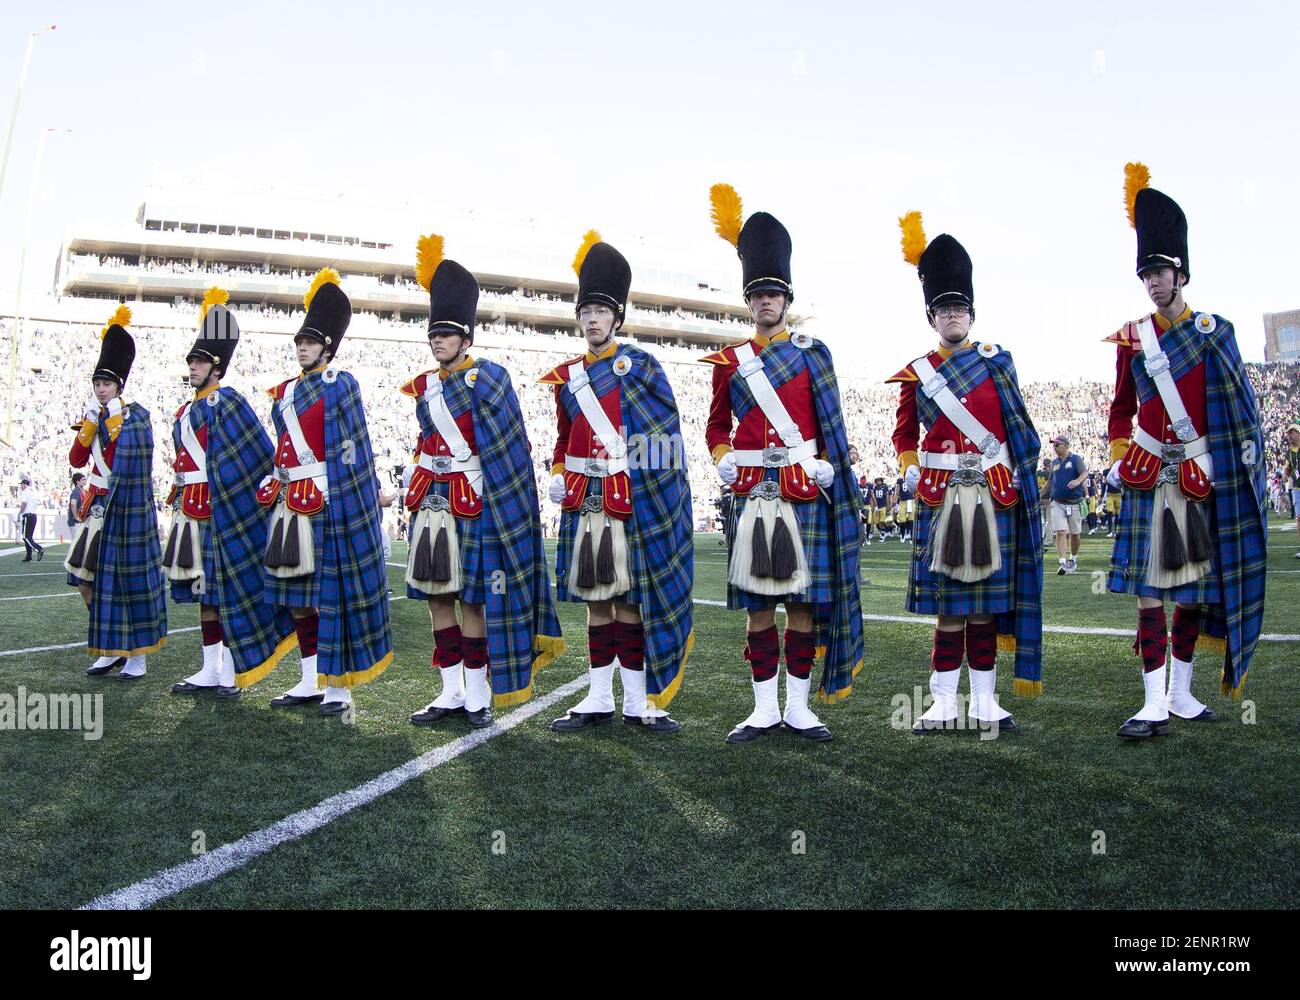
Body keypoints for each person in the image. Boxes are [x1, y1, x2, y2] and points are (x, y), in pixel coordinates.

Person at [1104, 163, 1266, 739]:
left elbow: (1241, 409)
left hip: (1199, 474)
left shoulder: (1215, 331)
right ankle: (1151, 701)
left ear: (1182, 272)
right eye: (1146, 273)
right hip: (1149, 474)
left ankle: (1181, 694)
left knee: (1192, 590)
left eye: (1161, 271)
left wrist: (1235, 466)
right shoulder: (1131, 338)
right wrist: (1123, 452)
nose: (1153, 281)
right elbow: (1119, 409)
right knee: (1149, 590)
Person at [703, 184, 863, 743]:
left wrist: (824, 464)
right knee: (758, 605)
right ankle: (763, 708)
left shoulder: (814, 354)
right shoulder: (729, 363)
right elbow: (716, 426)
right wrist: (722, 456)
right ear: (748, 302)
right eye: (758, 294)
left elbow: (832, 427)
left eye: (774, 293)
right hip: (750, 489)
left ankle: (798, 707)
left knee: (802, 602)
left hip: (800, 487)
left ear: (786, 300)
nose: (766, 302)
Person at [889, 212, 1043, 733]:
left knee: (983, 608)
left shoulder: (999, 362)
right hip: (941, 496)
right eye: (943, 309)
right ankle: (942, 703)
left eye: (959, 307)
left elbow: (1020, 426)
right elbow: (903, 435)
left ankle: (984, 702)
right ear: (932, 318)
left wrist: (1021, 471)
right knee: (949, 608)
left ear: (971, 316)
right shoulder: (917, 373)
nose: (952, 315)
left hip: (992, 492)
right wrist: (909, 467)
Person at [403, 235, 563, 728]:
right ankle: (449, 691)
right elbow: (426, 439)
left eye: (447, 333)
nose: (438, 340)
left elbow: (510, 448)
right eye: (434, 333)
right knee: (437, 598)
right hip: (432, 500)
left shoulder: (491, 378)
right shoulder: (423, 387)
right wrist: (415, 466)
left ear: (466, 338)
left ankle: (477, 693)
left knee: (473, 598)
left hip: (473, 502)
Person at [543, 232, 693, 734]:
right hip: (585, 501)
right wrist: (560, 475)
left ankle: (637, 701)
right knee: (596, 601)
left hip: (629, 500)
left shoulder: (641, 366)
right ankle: (597, 697)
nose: (592, 318)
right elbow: (564, 441)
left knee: (629, 603)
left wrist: (643, 479)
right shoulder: (566, 379)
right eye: (585, 309)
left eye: (602, 310)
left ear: (617, 318)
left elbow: (663, 438)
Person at [258, 269, 393, 717]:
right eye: (300, 340)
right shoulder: (282, 394)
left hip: (326, 502)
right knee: (296, 599)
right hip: (289, 502)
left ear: (328, 348)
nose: (303, 347)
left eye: (312, 342)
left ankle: (338, 689)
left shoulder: (343, 384)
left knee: (329, 597)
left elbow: (355, 447)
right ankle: (308, 680)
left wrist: (354, 494)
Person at [166, 288, 298, 700]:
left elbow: (255, 454)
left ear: (216, 366)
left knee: (225, 591)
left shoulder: (229, 401)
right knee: (203, 593)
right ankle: (209, 669)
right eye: (191, 360)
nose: (192, 366)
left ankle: (230, 671)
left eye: (200, 360)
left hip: (224, 511)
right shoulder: (184, 412)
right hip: (191, 512)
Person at [65, 306, 167, 679]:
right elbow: (77, 458)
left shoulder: (134, 414)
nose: (101, 388)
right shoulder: (93, 416)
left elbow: (132, 455)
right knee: (84, 580)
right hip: (96, 508)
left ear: (119, 385)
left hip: (122, 506)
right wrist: (90, 423)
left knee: (126, 582)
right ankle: (110, 646)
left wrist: (107, 418)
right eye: (97, 383)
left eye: (106, 384)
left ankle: (136, 656)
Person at [1048, 435, 1087, 575]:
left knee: (1075, 534)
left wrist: (1077, 481)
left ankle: (1073, 559)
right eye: (1053, 445)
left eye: (1057, 444)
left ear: (1065, 445)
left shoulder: (1076, 459)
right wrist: (1038, 494)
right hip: (1057, 502)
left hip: (1075, 503)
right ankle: (1062, 562)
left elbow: (1085, 473)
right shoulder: (1054, 463)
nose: (1054, 447)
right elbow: (1050, 481)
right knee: (1060, 532)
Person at [16, 475, 43, 561]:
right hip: (33, 515)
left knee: (26, 537)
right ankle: (29, 556)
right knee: (29, 537)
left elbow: (24, 504)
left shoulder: (25, 492)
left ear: (24, 484)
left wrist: (20, 513)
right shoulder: (32, 493)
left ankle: (39, 549)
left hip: (28, 515)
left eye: (21, 485)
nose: (21, 486)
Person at [1285, 423, 1300, 558]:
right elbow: (1288, 468)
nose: (1289, 436)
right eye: (1288, 434)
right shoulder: (1289, 452)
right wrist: (1284, 475)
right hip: (1297, 488)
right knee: (1299, 518)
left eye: (1291, 433)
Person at [66, 473, 84, 545]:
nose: (85, 481)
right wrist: (76, 516)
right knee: (77, 542)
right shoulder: (76, 491)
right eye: (83, 479)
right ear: (77, 481)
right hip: (74, 521)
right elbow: (73, 503)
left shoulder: (80, 490)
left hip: (77, 521)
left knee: (76, 541)